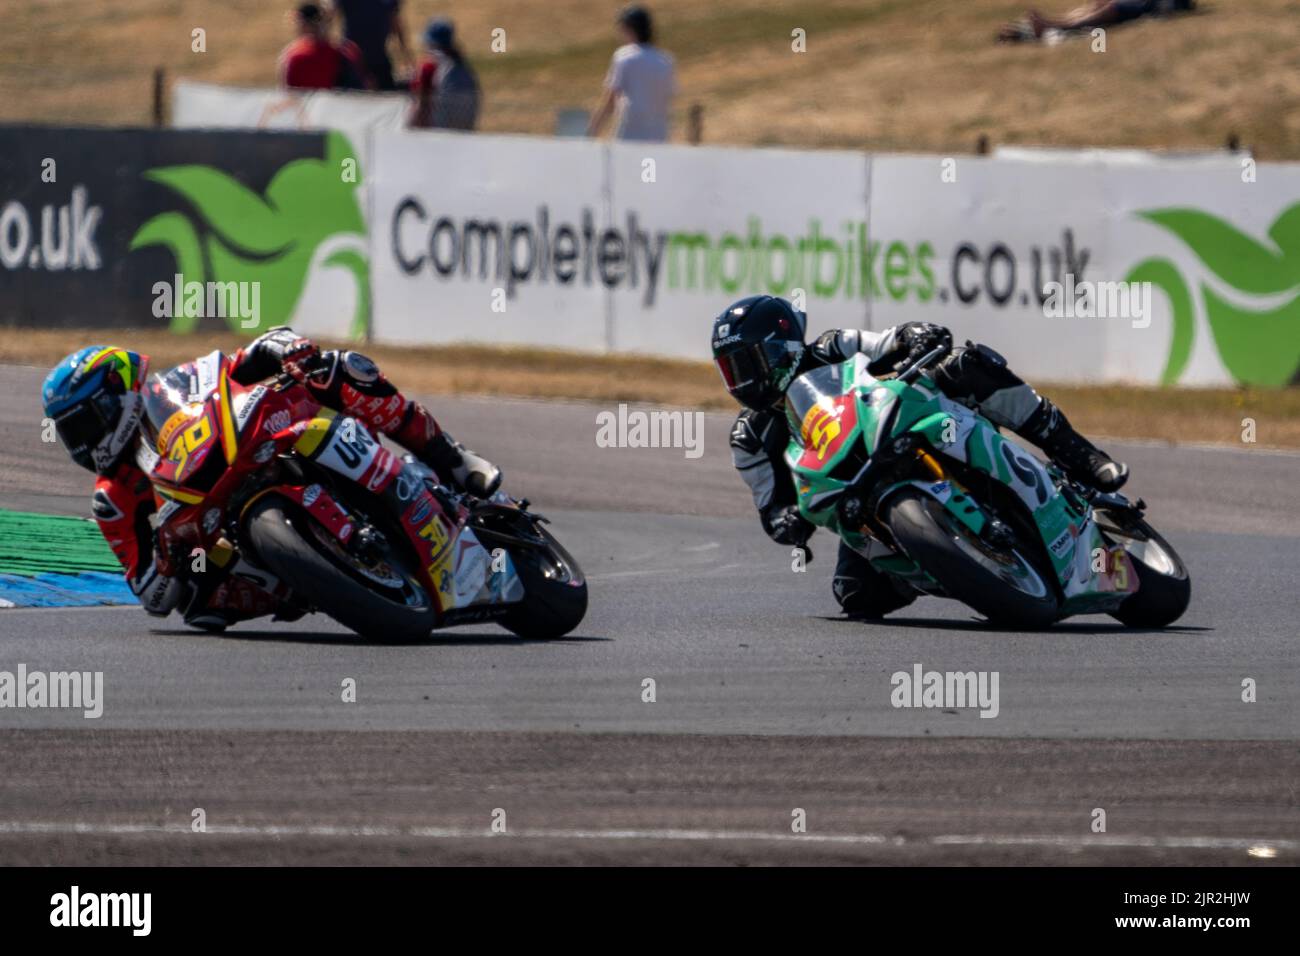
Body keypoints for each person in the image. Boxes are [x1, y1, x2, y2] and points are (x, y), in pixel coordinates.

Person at [40, 329, 501, 630]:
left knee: (337, 370)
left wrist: (281, 346)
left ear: (118, 395)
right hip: (222, 539)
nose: (81, 445)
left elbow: (246, 357)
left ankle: (452, 458)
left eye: (83, 425)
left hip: (262, 447)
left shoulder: (178, 383)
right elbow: (150, 595)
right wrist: (169, 557)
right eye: (68, 434)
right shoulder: (113, 499)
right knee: (202, 607)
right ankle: (325, 577)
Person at [712, 295, 1129, 619]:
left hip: (907, 429)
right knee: (855, 596)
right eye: (731, 370)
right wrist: (786, 522)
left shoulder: (832, 347)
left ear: (781, 347)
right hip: (856, 500)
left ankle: (1079, 455)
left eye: (748, 363)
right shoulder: (749, 438)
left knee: (966, 366)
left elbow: (889, 340)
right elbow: (771, 509)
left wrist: (916, 336)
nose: (743, 380)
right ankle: (949, 561)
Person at [587, 5, 676, 142]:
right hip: (658, 133)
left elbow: (610, 100)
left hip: (629, 133)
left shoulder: (624, 57)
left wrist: (593, 128)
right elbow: (668, 96)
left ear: (629, 29)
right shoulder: (665, 60)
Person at [409, 18, 480, 131]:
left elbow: (420, 106)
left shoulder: (429, 66)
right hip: (465, 131)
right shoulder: (461, 65)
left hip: (439, 132)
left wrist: (410, 131)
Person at [999, 0, 1195, 41]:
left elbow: (1176, 6)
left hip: (1148, 6)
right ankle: (1052, 22)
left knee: (1108, 8)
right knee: (1098, 4)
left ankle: (1053, 25)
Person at [278, 3, 368, 90]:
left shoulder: (294, 54)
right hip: (340, 103)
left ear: (302, 24)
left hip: (308, 103)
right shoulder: (347, 50)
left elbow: (288, 92)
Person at [334, 0, 410, 90]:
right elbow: (330, 14)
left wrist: (405, 56)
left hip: (378, 59)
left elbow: (395, 24)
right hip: (352, 60)